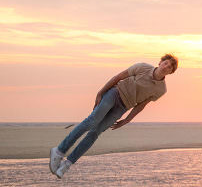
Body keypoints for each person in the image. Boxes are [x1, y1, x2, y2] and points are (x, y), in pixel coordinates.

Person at [49, 54, 178, 178]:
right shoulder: (142, 67)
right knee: (91, 121)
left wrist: (127, 120)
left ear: (170, 72)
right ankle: (59, 151)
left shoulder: (161, 90)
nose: (166, 67)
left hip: (123, 107)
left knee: (95, 133)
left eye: (170, 67)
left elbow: (141, 105)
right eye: (165, 63)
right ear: (160, 62)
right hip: (115, 93)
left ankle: (67, 164)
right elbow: (118, 77)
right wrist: (100, 93)